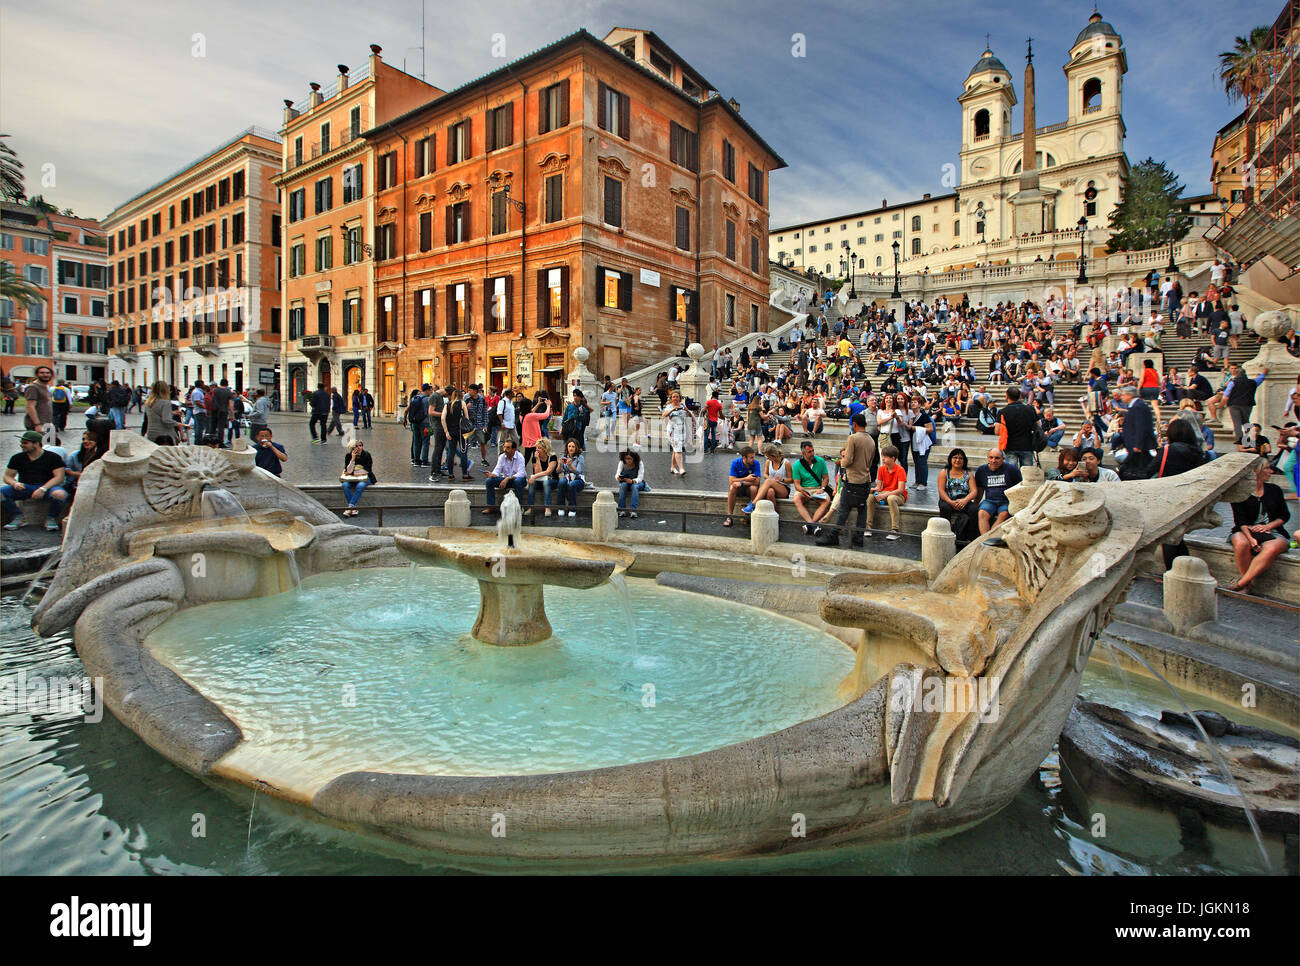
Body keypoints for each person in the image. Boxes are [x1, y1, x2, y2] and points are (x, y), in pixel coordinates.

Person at [1226, 458, 1291, 593]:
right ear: (1256, 471)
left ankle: (1242, 583)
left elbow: (1284, 516)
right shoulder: (1240, 493)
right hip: (1245, 531)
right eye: (1267, 468)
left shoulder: (1274, 490)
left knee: (1272, 548)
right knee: (1241, 543)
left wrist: (1268, 527)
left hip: (1273, 531)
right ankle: (1247, 585)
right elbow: (1240, 521)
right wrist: (1251, 540)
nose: (1271, 471)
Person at [815, 412, 876, 547]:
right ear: (865, 424)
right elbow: (871, 462)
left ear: (854, 424)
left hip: (852, 480)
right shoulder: (871, 440)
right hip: (865, 480)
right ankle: (858, 537)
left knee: (843, 509)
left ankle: (833, 536)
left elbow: (847, 460)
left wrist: (840, 462)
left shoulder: (852, 438)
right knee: (862, 509)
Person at [3, 431, 69, 531]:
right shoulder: (17, 458)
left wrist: (43, 488)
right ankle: (19, 517)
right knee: (1, 492)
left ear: (36, 444)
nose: (22, 445)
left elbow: (59, 477)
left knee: (60, 494)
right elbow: (7, 476)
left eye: (25, 443)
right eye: (21, 442)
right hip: (26, 486)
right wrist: (14, 483)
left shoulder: (53, 457)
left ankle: (51, 518)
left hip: (48, 487)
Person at [791, 439, 834, 535]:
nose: (812, 453)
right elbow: (797, 484)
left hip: (818, 488)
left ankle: (810, 525)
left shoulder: (821, 461)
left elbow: (826, 479)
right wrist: (802, 490)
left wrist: (822, 489)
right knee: (796, 498)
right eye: (809, 452)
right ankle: (813, 525)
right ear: (803, 453)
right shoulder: (797, 465)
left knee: (827, 500)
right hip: (804, 489)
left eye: (813, 451)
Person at [865, 444, 907, 540]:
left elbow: (900, 489)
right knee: (870, 497)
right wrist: (873, 490)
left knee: (891, 498)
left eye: (885, 457)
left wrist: (885, 494)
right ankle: (868, 526)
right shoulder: (881, 469)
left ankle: (895, 529)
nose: (882, 459)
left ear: (893, 458)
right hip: (885, 493)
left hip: (898, 495)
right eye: (882, 456)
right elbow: (879, 487)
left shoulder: (900, 470)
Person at [937, 448, 978, 545]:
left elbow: (974, 491)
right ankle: (945, 532)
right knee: (944, 507)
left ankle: (971, 538)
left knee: (974, 509)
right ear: (950, 459)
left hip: (964, 500)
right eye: (955, 457)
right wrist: (950, 501)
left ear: (964, 461)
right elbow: (941, 490)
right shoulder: (944, 472)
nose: (957, 460)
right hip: (947, 500)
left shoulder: (969, 474)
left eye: (960, 458)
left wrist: (965, 500)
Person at [975, 449, 1021, 534]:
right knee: (982, 514)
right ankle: (984, 540)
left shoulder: (1011, 469)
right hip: (990, 501)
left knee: (1003, 515)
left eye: (997, 458)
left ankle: (989, 538)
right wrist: (976, 502)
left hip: (1006, 501)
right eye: (991, 457)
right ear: (987, 458)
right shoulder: (981, 470)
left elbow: (1019, 486)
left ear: (1003, 458)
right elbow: (980, 488)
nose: (993, 461)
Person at [1115, 384, 1156, 480]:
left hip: (1138, 446)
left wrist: (1138, 444)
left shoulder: (1138, 406)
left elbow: (1140, 426)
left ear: (1130, 395)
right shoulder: (1136, 406)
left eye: (1123, 395)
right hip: (1135, 445)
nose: (1121, 397)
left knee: (1132, 468)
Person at [483, 437, 527, 514]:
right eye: (504, 447)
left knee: (518, 481)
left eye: (508, 447)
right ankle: (491, 507)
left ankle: (518, 507)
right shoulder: (502, 456)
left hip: (519, 480)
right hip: (506, 480)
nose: (505, 449)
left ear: (514, 449)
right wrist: (492, 475)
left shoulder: (520, 457)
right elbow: (497, 470)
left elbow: (521, 473)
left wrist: (507, 479)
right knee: (489, 481)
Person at [997, 386, 1038, 469]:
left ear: (1007, 396)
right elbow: (1038, 426)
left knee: (1012, 474)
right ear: (1020, 396)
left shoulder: (1002, 412)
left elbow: (997, 431)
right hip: (1027, 445)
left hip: (1010, 446)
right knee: (1027, 473)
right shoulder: (1030, 409)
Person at [747, 444, 793, 515]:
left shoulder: (786, 463)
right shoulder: (768, 462)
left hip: (783, 488)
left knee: (768, 481)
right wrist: (770, 479)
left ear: (773, 456)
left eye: (768, 457)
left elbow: (791, 480)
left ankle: (753, 503)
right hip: (771, 486)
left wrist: (782, 480)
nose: (767, 459)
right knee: (770, 492)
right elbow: (765, 474)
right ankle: (773, 515)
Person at [723, 446, 762, 527]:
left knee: (754, 488)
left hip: (748, 487)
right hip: (739, 488)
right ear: (744, 457)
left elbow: (757, 482)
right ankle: (729, 516)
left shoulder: (756, 463)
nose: (753, 459)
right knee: (732, 487)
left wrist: (741, 483)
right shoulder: (735, 463)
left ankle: (753, 514)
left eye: (754, 457)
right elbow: (731, 480)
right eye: (751, 457)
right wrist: (746, 479)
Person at [62, 430, 102, 499]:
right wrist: (74, 473)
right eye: (83, 439)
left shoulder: (99, 455)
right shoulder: (75, 455)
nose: (85, 441)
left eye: (89, 439)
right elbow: (65, 468)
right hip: (75, 484)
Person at [340, 440, 375, 517]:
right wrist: (352, 459)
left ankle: (350, 507)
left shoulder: (366, 455)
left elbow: (367, 470)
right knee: (345, 485)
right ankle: (353, 508)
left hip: (365, 478)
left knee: (360, 486)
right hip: (351, 478)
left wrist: (353, 472)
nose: (359, 447)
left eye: (360, 445)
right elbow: (348, 470)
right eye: (356, 446)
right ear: (352, 448)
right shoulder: (348, 456)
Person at [524, 437, 559, 517]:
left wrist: (533, 477)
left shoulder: (553, 457)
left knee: (546, 483)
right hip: (539, 480)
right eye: (536, 447)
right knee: (532, 484)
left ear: (545, 448)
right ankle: (530, 507)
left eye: (539, 448)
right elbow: (538, 472)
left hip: (552, 480)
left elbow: (548, 472)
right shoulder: (535, 458)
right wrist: (537, 459)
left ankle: (547, 508)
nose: (537, 450)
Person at [24, 365, 56, 444]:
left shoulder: (45, 386)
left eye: (48, 373)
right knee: (37, 449)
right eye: (42, 373)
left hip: (47, 423)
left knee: (50, 447)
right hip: (38, 424)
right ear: (37, 374)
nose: (45, 375)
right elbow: (30, 406)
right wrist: (37, 424)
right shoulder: (33, 387)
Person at [144, 380, 182, 445]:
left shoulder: (149, 402)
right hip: (164, 434)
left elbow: (156, 413)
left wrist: (172, 412)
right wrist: (179, 424)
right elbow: (166, 420)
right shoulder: (165, 403)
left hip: (151, 432)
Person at [520, 391, 552, 468]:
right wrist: (548, 406)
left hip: (527, 441)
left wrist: (538, 404)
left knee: (526, 458)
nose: (532, 405)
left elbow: (531, 411)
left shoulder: (522, 415)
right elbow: (545, 415)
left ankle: (519, 472)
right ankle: (537, 474)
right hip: (535, 442)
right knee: (537, 459)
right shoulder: (531, 416)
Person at [555, 439, 586, 517]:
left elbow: (579, 471)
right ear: (567, 447)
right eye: (569, 446)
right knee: (561, 482)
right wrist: (559, 464)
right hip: (567, 477)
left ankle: (572, 508)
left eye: (573, 446)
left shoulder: (580, 457)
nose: (571, 448)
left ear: (576, 448)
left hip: (578, 479)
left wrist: (571, 465)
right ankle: (561, 507)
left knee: (572, 484)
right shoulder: (564, 456)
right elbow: (558, 471)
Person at [404, 384, 430, 466]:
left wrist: (405, 419)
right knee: (426, 441)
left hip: (415, 423)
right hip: (426, 423)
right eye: (430, 390)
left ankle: (416, 460)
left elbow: (408, 409)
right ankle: (424, 461)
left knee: (416, 441)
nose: (431, 392)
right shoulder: (428, 399)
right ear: (427, 390)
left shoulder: (414, 398)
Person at [616, 449, 643, 519]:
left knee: (634, 487)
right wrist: (618, 478)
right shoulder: (622, 462)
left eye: (630, 459)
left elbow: (640, 477)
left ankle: (633, 510)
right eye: (626, 459)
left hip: (637, 483)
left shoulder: (639, 463)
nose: (628, 460)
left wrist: (632, 481)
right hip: (626, 482)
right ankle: (621, 509)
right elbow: (617, 473)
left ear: (634, 458)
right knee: (623, 485)